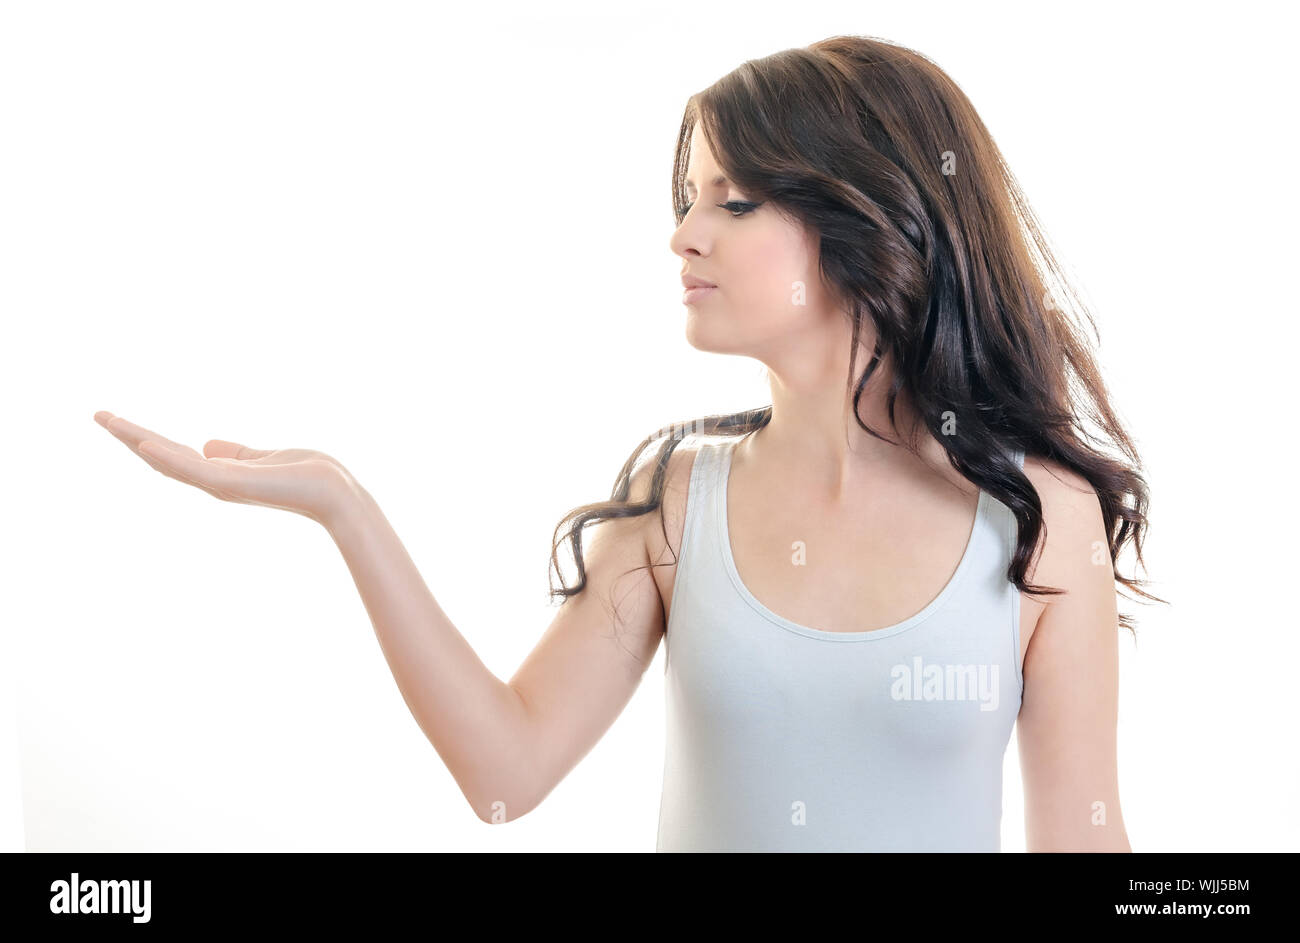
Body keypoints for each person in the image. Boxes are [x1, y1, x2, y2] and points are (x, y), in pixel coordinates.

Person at [95, 34, 1159, 852]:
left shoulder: (1034, 518)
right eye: (689, 198)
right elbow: (502, 772)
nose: (683, 234)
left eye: (732, 202)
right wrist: (344, 506)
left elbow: (1086, 839)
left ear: (871, 221)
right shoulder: (678, 502)